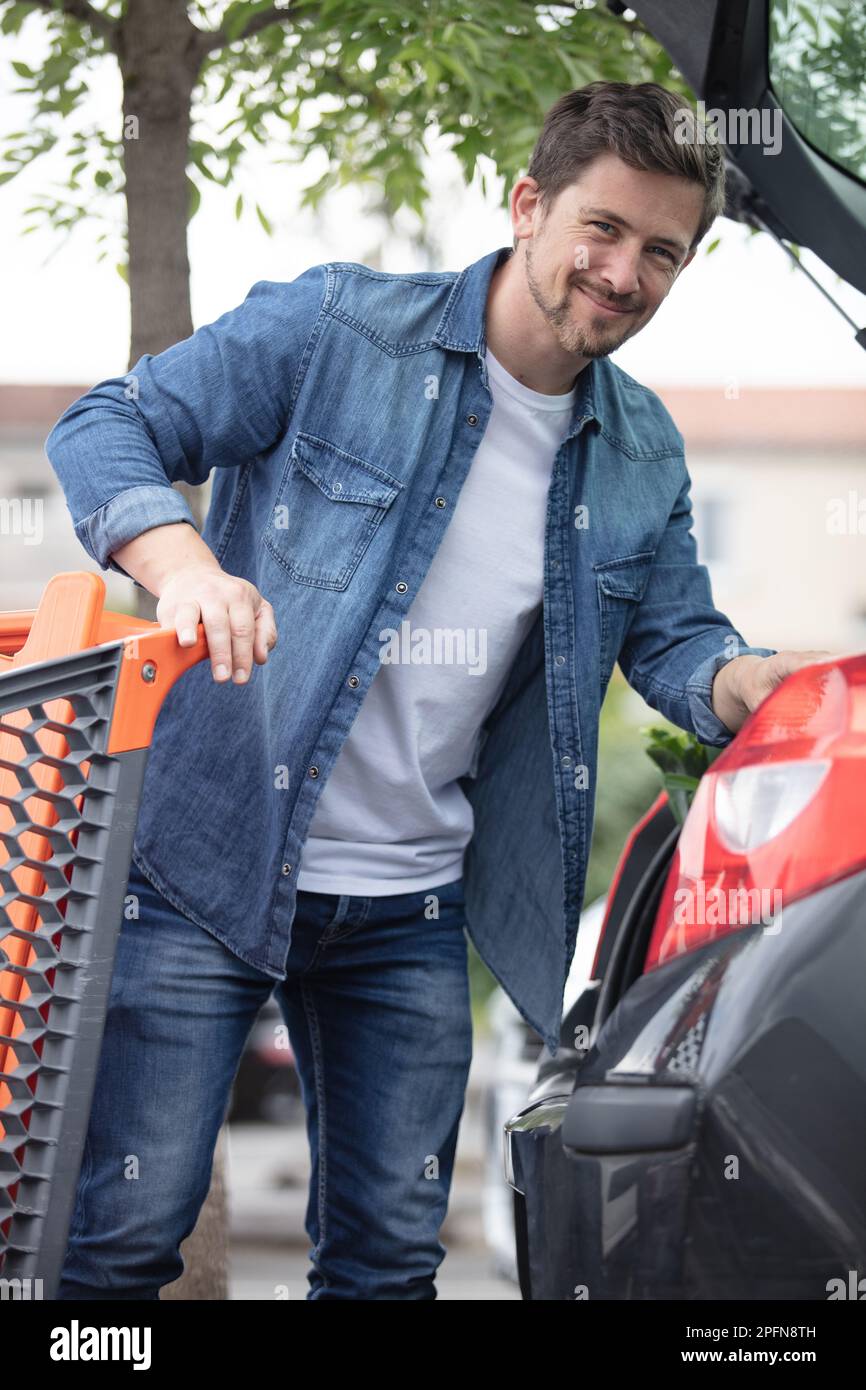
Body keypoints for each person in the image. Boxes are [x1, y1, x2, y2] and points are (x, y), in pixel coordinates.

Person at [44, 80, 827, 1300]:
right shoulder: (338, 331)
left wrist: (743, 680)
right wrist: (183, 562)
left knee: (389, 1264)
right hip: (210, 864)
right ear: (528, 204)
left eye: (661, 252)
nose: (624, 273)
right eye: (602, 230)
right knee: (118, 1248)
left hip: (407, 903)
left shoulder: (640, 451)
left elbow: (673, 643)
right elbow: (107, 426)